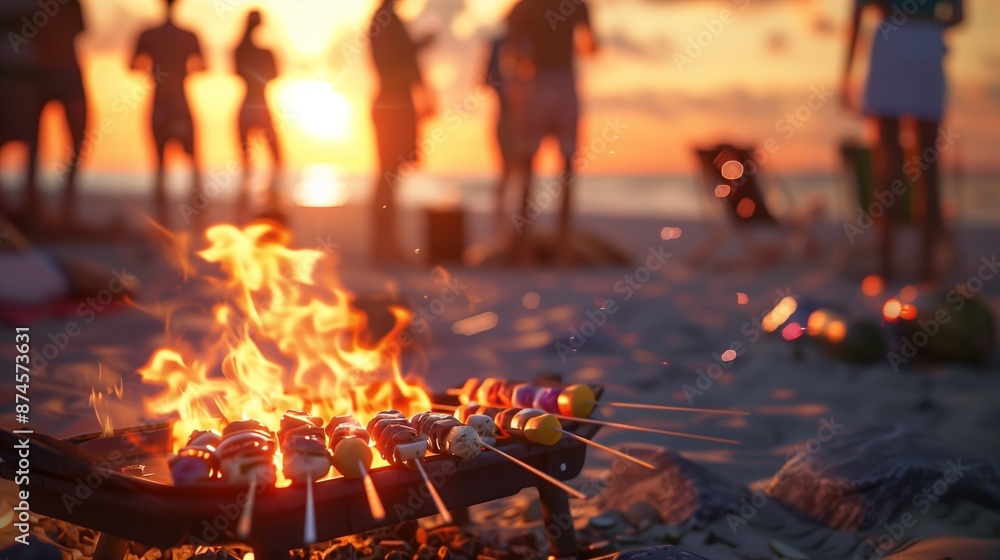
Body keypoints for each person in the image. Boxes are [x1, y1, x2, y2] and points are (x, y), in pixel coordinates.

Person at [842, 0, 964, 282]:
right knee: (929, 166)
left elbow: (858, 13)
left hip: (890, 43)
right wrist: (928, 27)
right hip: (928, 45)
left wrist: (846, 75)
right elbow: (957, 15)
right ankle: (926, 269)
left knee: (888, 168)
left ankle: (886, 269)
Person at [505, 0, 598, 261]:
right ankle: (562, 248)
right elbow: (592, 47)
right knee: (567, 166)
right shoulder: (577, 5)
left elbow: (512, 49)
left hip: (535, 84)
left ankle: (524, 250)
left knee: (528, 164)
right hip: (564, 82)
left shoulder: (524, 6)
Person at [0, 0, 87, 229]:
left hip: (60, 73)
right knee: (31, 141)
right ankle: (31, 206)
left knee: (75, 140)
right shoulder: (30, 8)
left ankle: (61, 210)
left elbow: (77, 30)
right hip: (38, 75)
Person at [368, 0, 435, 263]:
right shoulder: (387, 21)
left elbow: (403, 58)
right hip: (394, 102)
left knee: (390, 173)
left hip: (392, 100)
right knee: (388, 173)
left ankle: (386, 242)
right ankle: (384, 243)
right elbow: (403, 59)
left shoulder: (383, 20)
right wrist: (420, 45)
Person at [131, 0, 205, 229]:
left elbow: (132, 65)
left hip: (160, 101)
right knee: (192, 162)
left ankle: (164, 220)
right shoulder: (189, 35)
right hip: (180, 101)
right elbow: (203, 67)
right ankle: (195, 220)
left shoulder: (149, 34)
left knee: (160, 164)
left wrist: (155, 71)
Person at [234, 10, 282, 223]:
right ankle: (267, 204)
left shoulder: (239, 50)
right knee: (277, 159)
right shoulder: (265, 52)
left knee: (247, 163)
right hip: (260, 106)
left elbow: (237, 72)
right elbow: (274, 75)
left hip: (246, 107)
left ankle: (251, 209)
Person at [483, 34, 517, 235]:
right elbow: (486, 80)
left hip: (514, 117)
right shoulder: (502, 43)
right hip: (507, 117)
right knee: (508, 171)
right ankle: (501, 224)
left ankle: (506, 223)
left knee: (513, 172)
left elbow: (486, 80)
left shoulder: (505, 42)